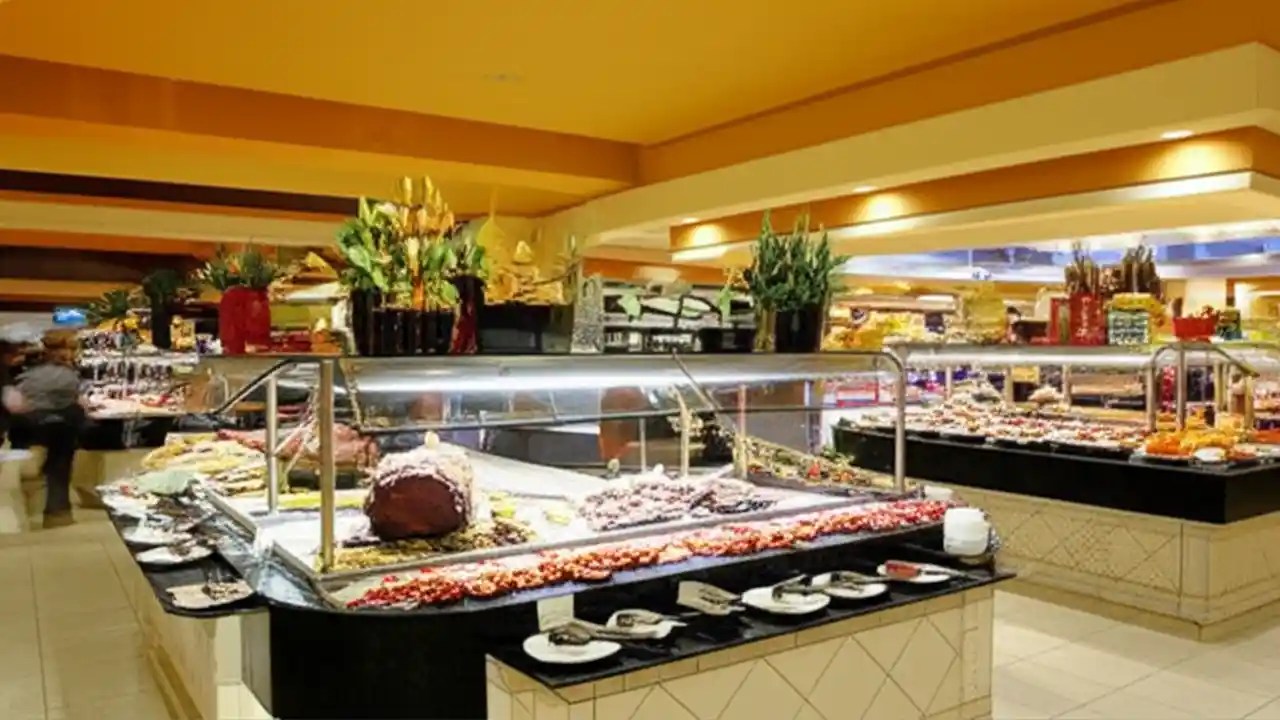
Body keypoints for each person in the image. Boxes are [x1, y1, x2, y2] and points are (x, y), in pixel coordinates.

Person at [2, 330, 85, 528]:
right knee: (60, 464)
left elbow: (16, 403)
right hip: (61, 428)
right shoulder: (70, 375)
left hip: (28, 428)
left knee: (26, 460)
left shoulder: (22, 376)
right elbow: (77, 399)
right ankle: (58, 510)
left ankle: (25, 505)